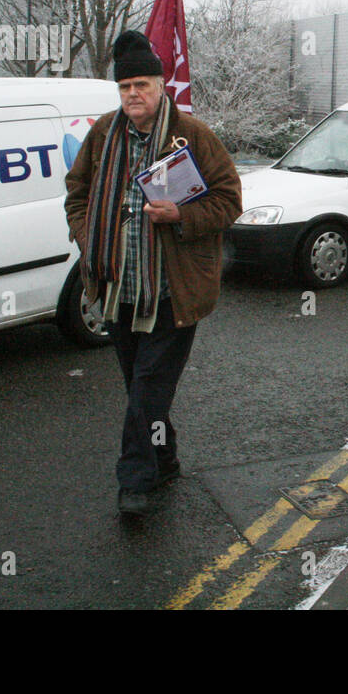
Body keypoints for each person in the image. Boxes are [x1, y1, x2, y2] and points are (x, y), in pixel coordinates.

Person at [65, 31, 243, 516]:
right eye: (124, 88)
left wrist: (181, 217)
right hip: (116, 287)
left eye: (141, 85)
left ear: (161, 85)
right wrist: (85, 234)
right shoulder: (103, 133)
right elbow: (76, 189)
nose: (132, 96)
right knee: (142, 390)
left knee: (146, 390)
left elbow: (230, 201)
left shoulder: (192, 135)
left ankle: (136, 480)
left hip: (171, 293)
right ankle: (163, 458)